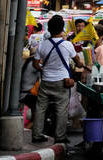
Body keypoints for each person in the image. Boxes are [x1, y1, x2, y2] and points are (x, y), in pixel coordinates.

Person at [32, 15, 80, 145]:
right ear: (62, 29)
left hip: (46, 81)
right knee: (61, 109)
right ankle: (60, 136)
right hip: (62, 82)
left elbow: (35, 64)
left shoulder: (42, 45)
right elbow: (78, 61)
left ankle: (36, 135)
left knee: (40, 108)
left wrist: (44, 70)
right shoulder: (67, 45)